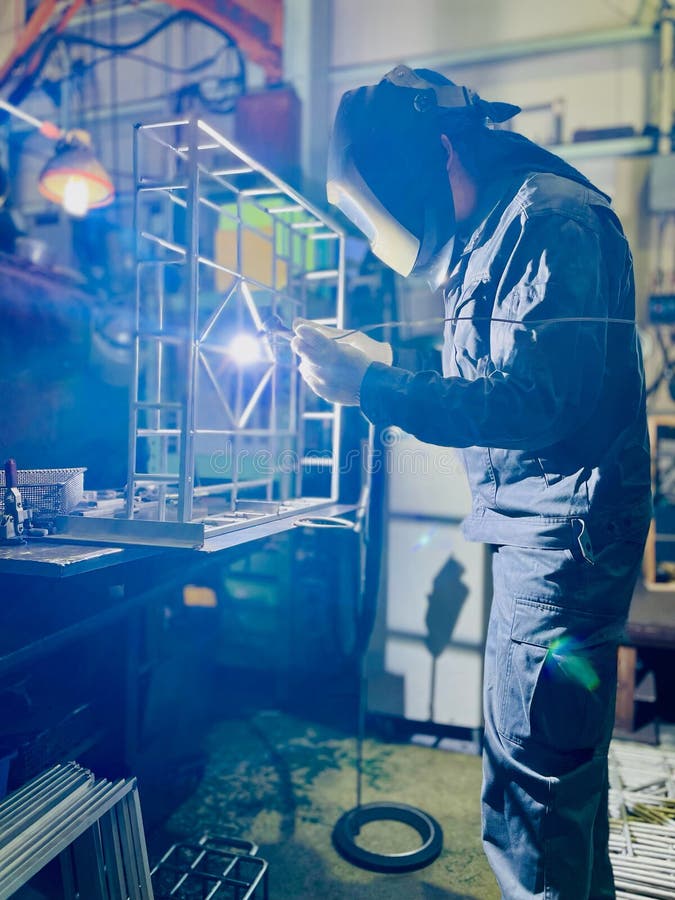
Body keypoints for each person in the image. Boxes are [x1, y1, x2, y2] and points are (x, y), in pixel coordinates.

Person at [291, 66, 652, 899]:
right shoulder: (499, 221)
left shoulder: (545, 217)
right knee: (547, 769)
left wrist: (373, 388)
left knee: (534, 781)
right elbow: (495, 376)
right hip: (543, 528)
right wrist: (380, 363)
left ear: (443, 154)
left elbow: (538, 401)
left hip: (564, 535)